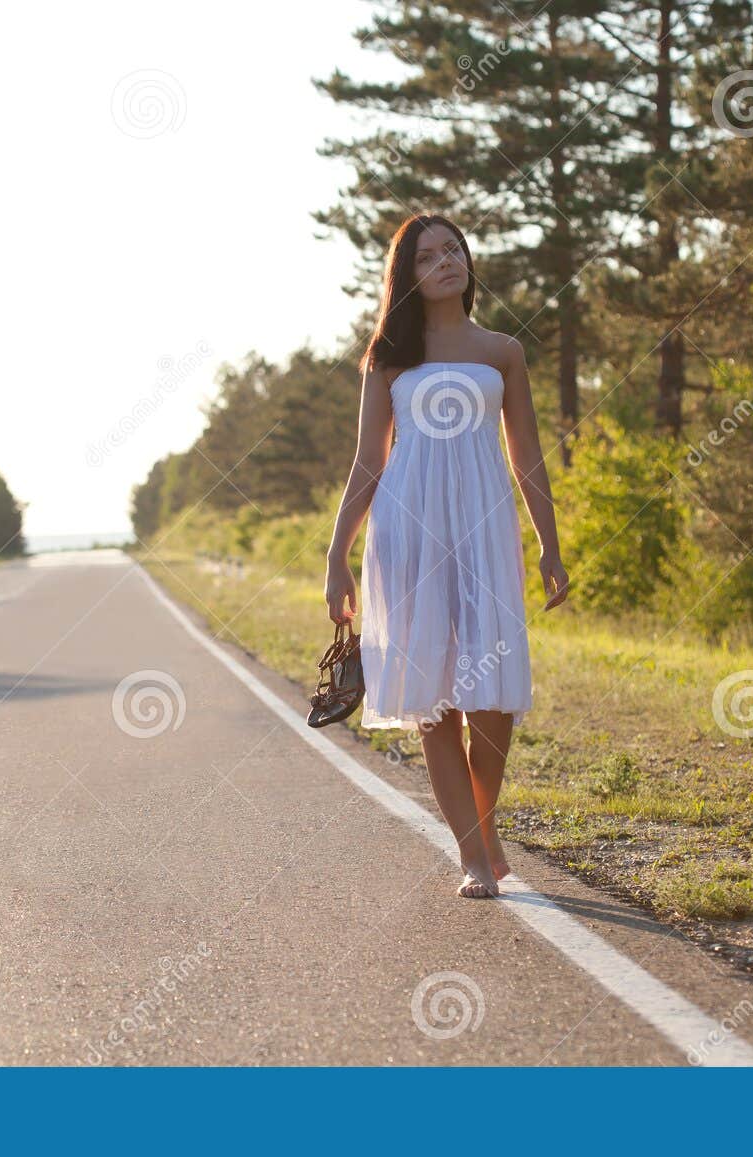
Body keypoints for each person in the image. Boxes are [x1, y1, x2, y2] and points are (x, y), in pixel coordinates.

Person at [324, 213, 568, 899]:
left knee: (490, 699)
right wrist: (337, 553)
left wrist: (550, 543)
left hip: (487, 527)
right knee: (434, 697)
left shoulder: (502, 351)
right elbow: (369, 459)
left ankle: (484, 825)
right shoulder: (389, 356)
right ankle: (472, 854)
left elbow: (527, 457)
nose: (445, 260)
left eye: (452, 248)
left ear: (467, 260)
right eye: (427, 255)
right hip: (408, 528)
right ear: (408, 276)